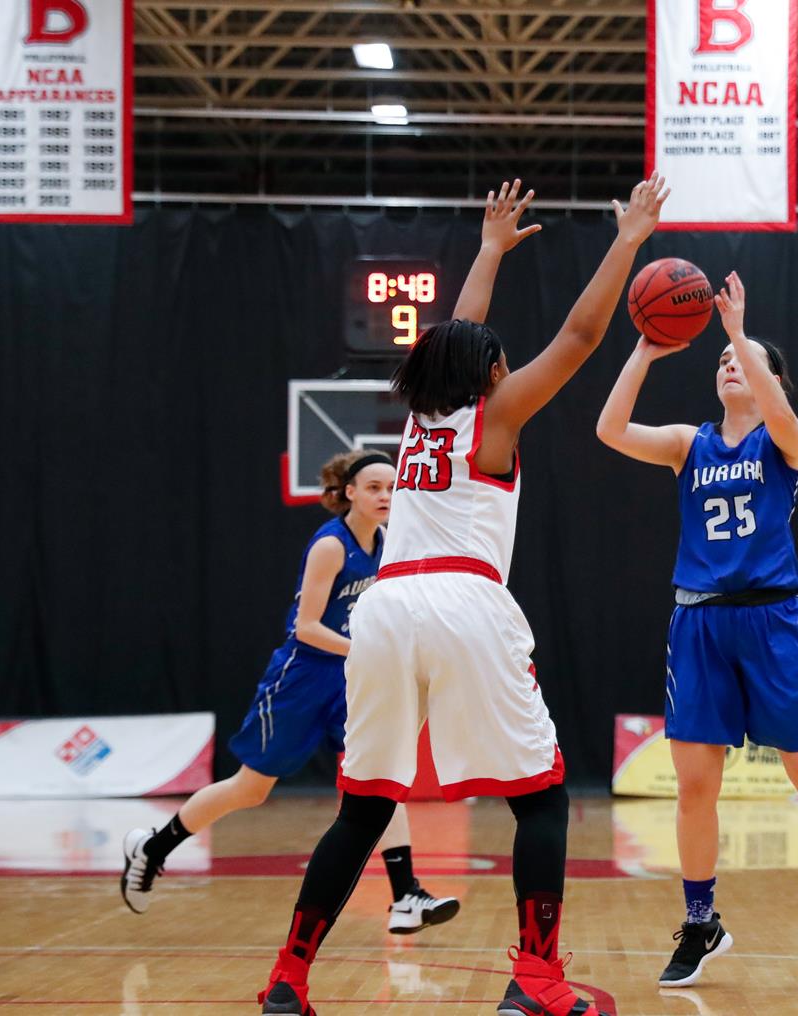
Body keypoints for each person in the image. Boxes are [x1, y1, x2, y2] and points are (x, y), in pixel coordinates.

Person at [253, 173, 669, 1016]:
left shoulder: (418, 425)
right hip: (460, 603)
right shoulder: (497, 414)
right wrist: (629, 242)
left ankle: (288, 980)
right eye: (499, 356)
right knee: (541, 795)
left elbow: (461, 334)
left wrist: (486, 252)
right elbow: (582, 335)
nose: (508, 357)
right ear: (487, 372)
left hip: (383, 612)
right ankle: (537, 979)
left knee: (363, 808)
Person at [595, 271, 798, 989]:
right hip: (699, 622)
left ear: (770, 380)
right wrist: (645, 348)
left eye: (747, 360)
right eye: (724, 359)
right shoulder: (686, 445)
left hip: (773, 619)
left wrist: (736, 332)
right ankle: (701, 920)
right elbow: (608, 429)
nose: (730, 363)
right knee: (694, 788)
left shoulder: (785, 441)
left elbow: (782, 413)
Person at [119, 449, 459, 933]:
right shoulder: (331, 546)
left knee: (380, 778)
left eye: (392, 487)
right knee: (250, 789)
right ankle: (153, 847)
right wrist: (364, 649)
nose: (386, 495)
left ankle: (406, 895)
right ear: (350, 494)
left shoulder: (388, 542)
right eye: (374, 488)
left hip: (351, 678)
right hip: (303, 677)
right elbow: (306, 628)